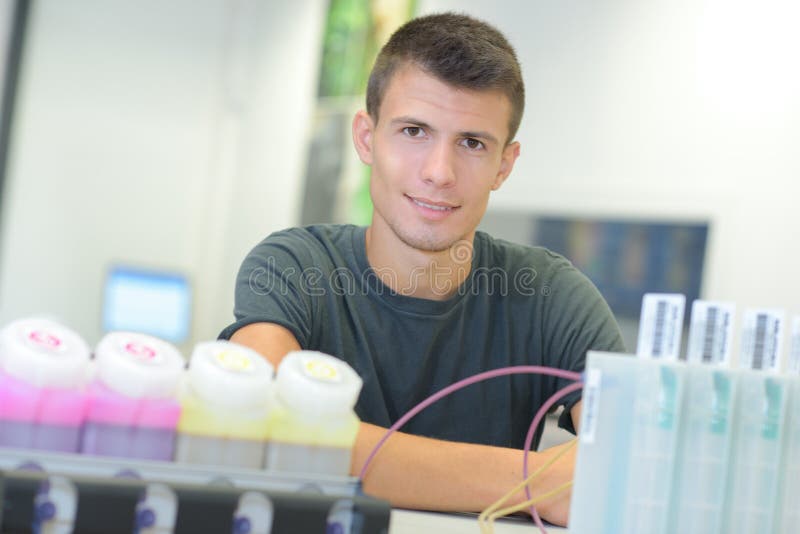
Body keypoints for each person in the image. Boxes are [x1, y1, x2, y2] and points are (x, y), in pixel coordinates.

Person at [220, 12, 624, 526]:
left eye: (472, 143)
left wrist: (343, 445)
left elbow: (619, 474)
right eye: (414, 131)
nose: (439, 172)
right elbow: (263, 426)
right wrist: (538, 481)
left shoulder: (551, 298)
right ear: (366, 139)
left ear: (504, 164)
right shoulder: (295, 269)